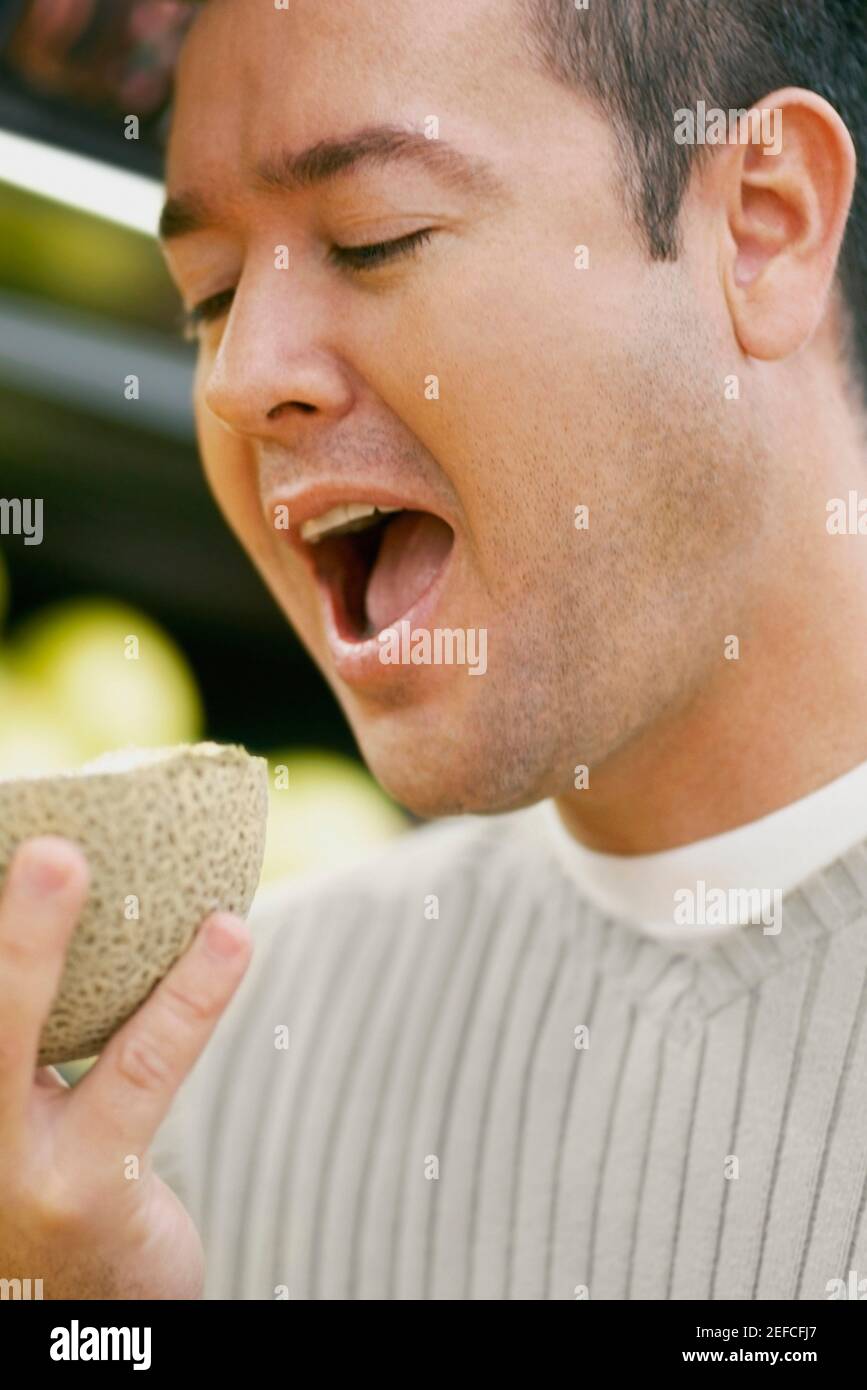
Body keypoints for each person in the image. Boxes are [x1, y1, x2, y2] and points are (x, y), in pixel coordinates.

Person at [2, 0, 867, 1300]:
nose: (240, 379)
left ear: (763, 222)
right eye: (209, 297)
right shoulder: (186, 1091)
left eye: (375, 236)